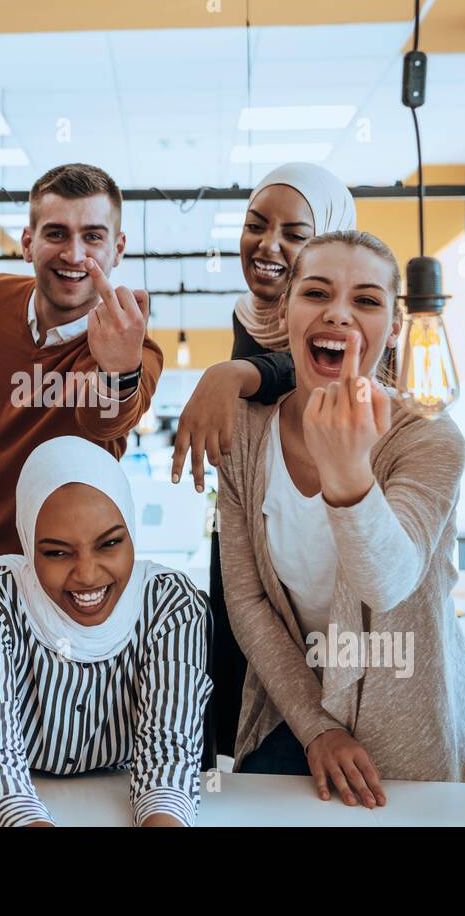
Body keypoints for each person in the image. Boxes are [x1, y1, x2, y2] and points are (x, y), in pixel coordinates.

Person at [216, 231, 465, 806]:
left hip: (408, 724)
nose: (338, 313)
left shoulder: (429, 437)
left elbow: (387, 581)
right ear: (285, 312)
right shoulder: (245, 435)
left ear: (396, 327)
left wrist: (350, 473)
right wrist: (317, 726)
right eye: (317, 293)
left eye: (366, 299)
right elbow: (248, 601)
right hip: (291, 712)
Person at [0, 163, 163, 702]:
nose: (75, 255)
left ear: (117, 248)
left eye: (92, 237)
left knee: (53, 732)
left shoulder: (133, 343)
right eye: (56, 234)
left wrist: (118, 367)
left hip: (67, 575)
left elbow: (106, 423)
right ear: (28, 242)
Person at [0, 436, 212, 827]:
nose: (87, 575)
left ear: (132, 531)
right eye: (57, 552)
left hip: (115, 802)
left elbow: (168, 760)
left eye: (110, 544)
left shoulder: (171, 605)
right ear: (29, 545)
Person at [192, 162, 357, 756]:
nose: (268, 245)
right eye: (256, 225)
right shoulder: (248, 314)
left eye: (295, 233)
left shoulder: (347, 319)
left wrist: (240, 371)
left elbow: (318, 366)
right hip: (249, 531)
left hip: (323, 550)